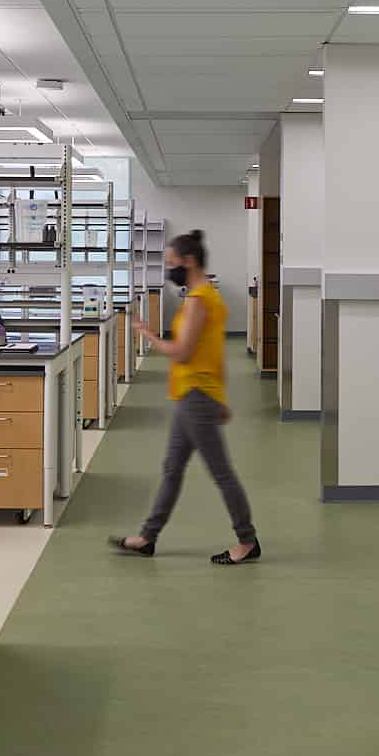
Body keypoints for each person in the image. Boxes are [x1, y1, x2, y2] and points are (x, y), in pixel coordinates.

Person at [110, 230, 260, 565]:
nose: (169, 270)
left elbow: (181, 352)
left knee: (221, 472)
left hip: (195, 395)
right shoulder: (208, 297)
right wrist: (220, 397)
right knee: (172, 468)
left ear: (188, 261)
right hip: (195, 393)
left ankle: (247, 541)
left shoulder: (197, 302)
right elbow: (213, 352)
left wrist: (147, 333)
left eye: (172, 264)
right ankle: (148, 536)